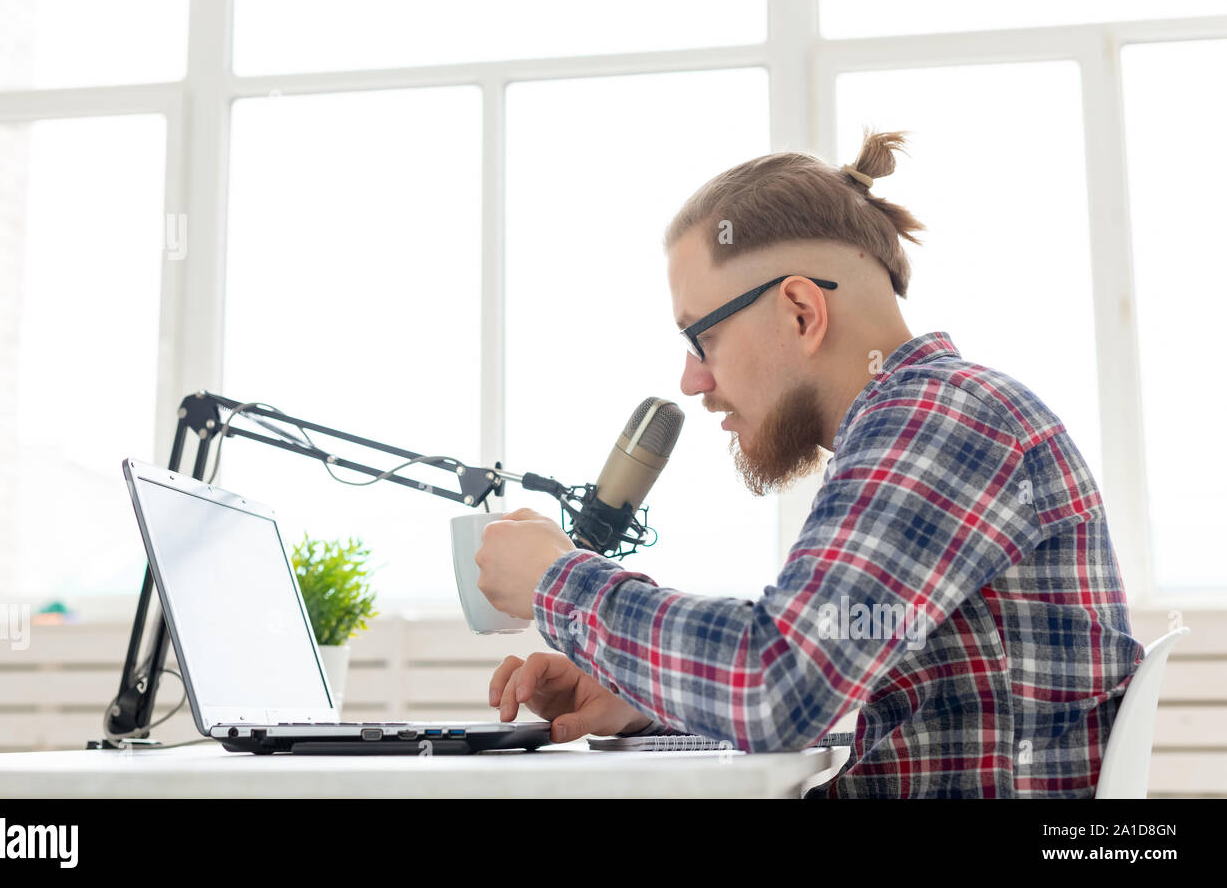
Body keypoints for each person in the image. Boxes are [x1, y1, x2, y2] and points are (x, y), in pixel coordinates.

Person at [473, 128, 1144, 797]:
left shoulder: (939, 421)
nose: (690, 380)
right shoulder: (933, 417)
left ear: (800, 311)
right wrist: (646, 697)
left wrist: (554, 580)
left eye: (702, 337)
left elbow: (778, 682)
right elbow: (816, 666)